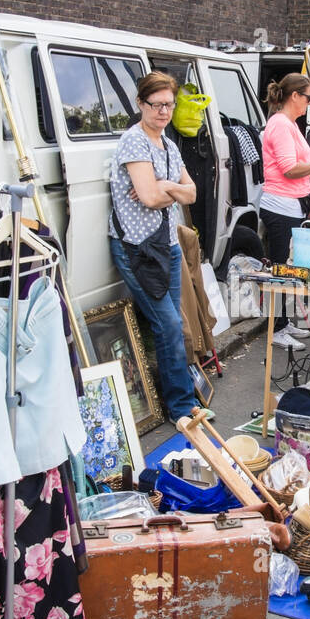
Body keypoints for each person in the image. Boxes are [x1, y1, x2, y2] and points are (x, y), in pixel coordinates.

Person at [108, 71, 199, 418]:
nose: (164, 112)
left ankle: (176, 398)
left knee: (171, 322)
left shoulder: (169, 145)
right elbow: (147, 197)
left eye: (169, 105)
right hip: (137, 248)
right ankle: (181, 406)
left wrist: (165, 186)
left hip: (166, 245)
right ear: (140, 104)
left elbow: (190, 193)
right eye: (156, 105)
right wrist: (165, 190)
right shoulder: (135, 142)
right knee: (169, 324)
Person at [261, 72, 310, 351]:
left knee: (288, 268)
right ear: (294, 96)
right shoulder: (280, 124)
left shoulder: (289, 124)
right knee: (280, 269)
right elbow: (289, 168)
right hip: (280, 206)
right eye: (308, 98)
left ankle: (282, 322)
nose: (309, 104)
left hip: (291, 204)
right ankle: (275, 329)